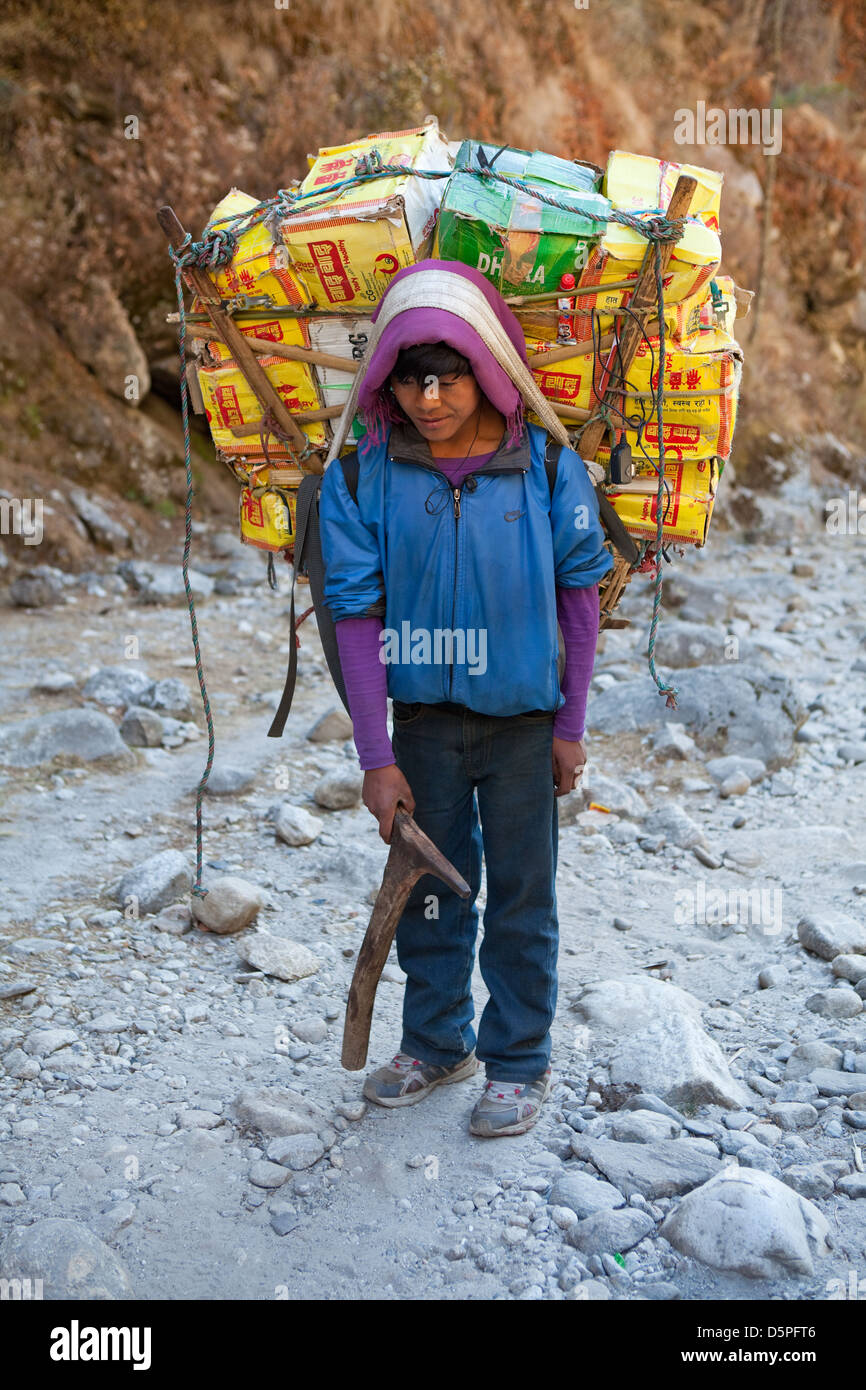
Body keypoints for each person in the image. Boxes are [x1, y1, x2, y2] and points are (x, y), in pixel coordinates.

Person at [318, 259, 614, 1137]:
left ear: (488, 368)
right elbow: (356, 616)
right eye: (411, 380)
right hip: (424, 727)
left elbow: (580, 598)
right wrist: (376, 756)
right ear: (390, 383)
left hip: (524, 723)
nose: (430, 399)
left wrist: (571, 724)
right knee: (431, 890)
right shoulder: (366, 477)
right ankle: (437, 1042)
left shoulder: (548, 469)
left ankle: (519, 1060)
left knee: (525, 894)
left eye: (448, 378)